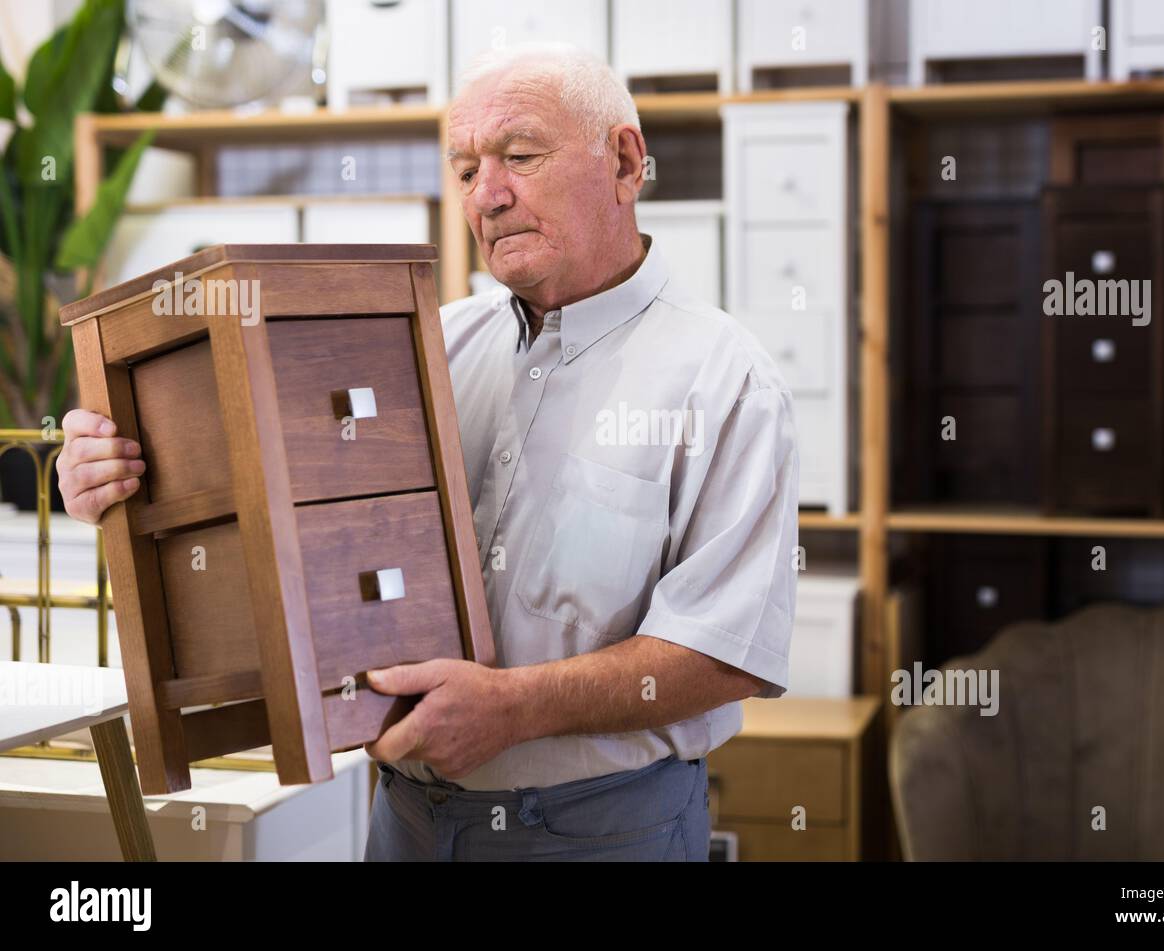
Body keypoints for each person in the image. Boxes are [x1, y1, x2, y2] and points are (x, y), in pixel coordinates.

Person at [56, 45, 799, 861]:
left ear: (625, 161)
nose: (489, 194)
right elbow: (275, 518)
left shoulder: (727, 379)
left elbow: (723, 654)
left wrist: (515, 706)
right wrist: (122, 474)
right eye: (466, 168)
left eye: (520, 156)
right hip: (403, 819)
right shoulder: (421, 346)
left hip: (604, 830)